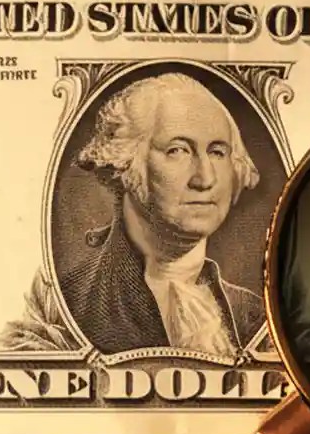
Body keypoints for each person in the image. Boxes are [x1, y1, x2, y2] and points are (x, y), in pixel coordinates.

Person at [57, 71, 264, 356]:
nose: (205, 179)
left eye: (217, 152)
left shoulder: (255, 316)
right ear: (126, 161)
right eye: (178, 150)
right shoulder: (65, 308)